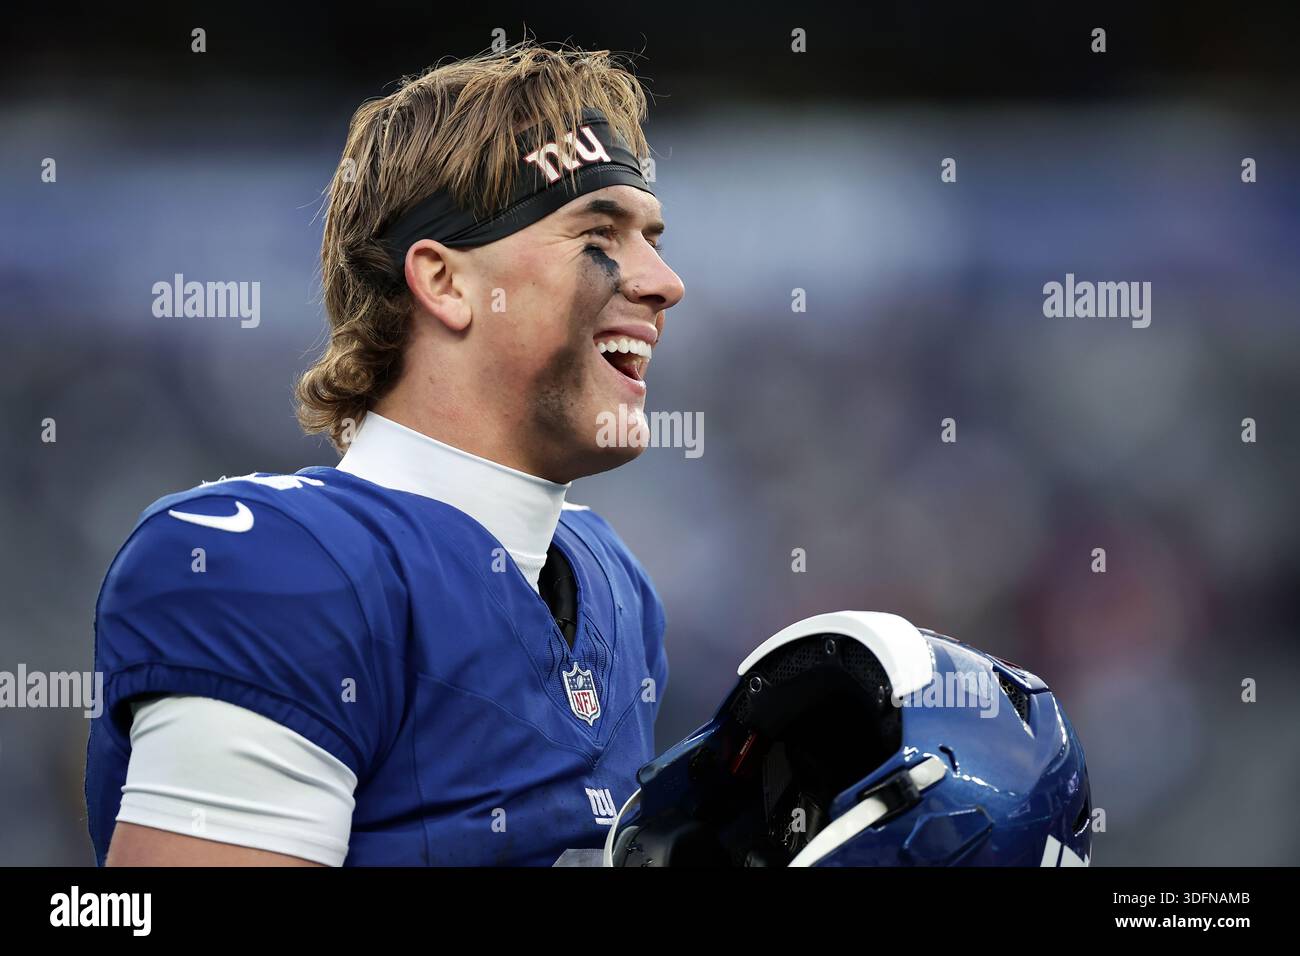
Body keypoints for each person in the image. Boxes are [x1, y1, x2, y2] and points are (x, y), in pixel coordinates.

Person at [85, 40, 686, 866]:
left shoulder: (612, 585)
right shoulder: (273, 570)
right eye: (600, 232)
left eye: (652, 236)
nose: (663, 280)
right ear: (444, 283)